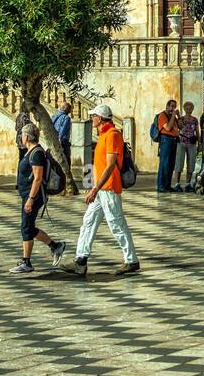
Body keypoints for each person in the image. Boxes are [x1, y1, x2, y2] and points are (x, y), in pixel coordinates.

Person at [73, 105, 139, 276]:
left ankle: (131, 260)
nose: (92, 118)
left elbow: (110, 166)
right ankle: (80, 260)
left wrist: (95, 189)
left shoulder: (112, 135)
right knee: (88, 221)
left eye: (93, 116)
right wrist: (94, 186)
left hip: (108, 188)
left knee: (116, 223)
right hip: (101, 189)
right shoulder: (103, 135)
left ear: (100, 118)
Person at [10, 123, 67, 274]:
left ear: (27, 136)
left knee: (26, 227)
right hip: (29, 195)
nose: (21, 137)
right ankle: (55, 246)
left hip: (34, 196)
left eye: (22, 135)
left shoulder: (36, 153)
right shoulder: (31, 152)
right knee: (28, 227)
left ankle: (27, 262)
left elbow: (38, 178)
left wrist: (30, 198)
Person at [172, 101, 200, 193]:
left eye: (190, 108)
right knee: (179, 163)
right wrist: (178, 116)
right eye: (187, 108)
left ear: (192, 109)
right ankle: (177, 184)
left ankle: (188, 184)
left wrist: (199, 143)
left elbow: (197, 131)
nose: (188, 110)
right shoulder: (181, 118)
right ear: (184, 109)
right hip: (182, 142)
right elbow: (180, 126)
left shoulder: (195, 120)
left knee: (191, 163)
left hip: (192, 143)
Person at [155, 100, 181, 194]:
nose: (173, 108)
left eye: (175, 106)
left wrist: (178, 116)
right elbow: (168, 128)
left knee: (171, 164)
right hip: (166, 140)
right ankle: (161, 186)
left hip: (174, 140)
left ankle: (167, 185)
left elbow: (181, 127)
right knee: (164, 163)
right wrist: (173, 116)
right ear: (167, 106)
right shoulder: (162, 116)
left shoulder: (173, 117)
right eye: (172, 106)